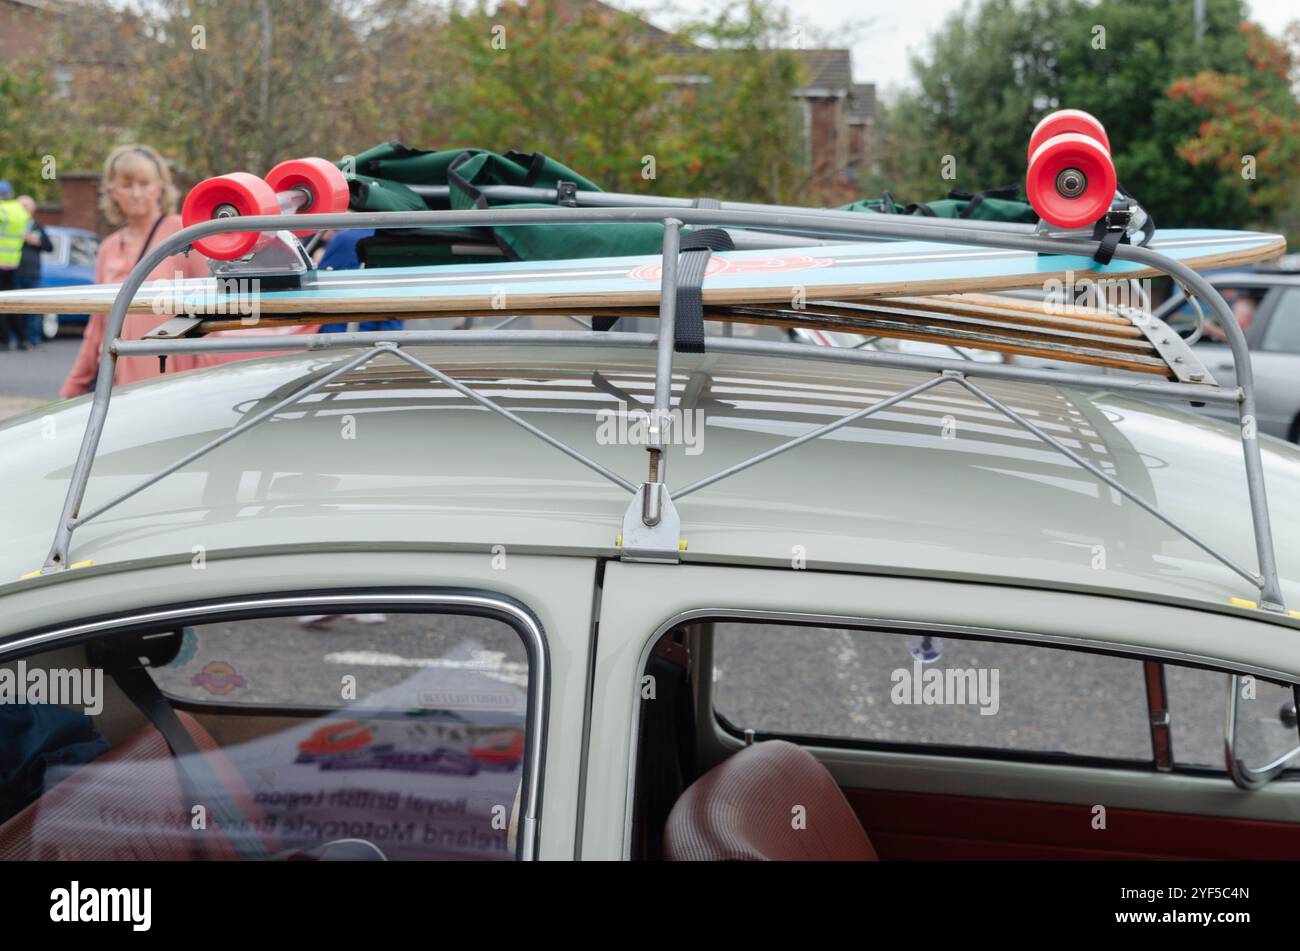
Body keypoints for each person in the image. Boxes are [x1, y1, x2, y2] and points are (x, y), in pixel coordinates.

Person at [60, 145, 318, 399]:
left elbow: (214, 307)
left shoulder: (184, 236)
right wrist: (75, 384)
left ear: (160, 186)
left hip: (172, 374)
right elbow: (98, 325)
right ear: (112, 191)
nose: (136, 193)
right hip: (119, 375)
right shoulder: (108, 247)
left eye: (144, 183)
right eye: (127, 185)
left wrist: (207, 375)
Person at [14, 195, 53, 348]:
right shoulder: (12, 225)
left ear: (32, 210)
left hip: (33, 273)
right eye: (21, 207)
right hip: (14, 272)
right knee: (15, 308)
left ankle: (33, 339)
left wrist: (36, 241)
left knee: (34, 308)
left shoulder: (37, 226)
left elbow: (49, 247)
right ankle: (17, 339)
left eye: (26, 207)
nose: (23, 210)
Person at [0, 179, 31, 350]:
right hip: (13, 262)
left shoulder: (2, 209)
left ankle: (4, 340)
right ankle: (22, 339)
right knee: (10, 303)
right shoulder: (21, 210)